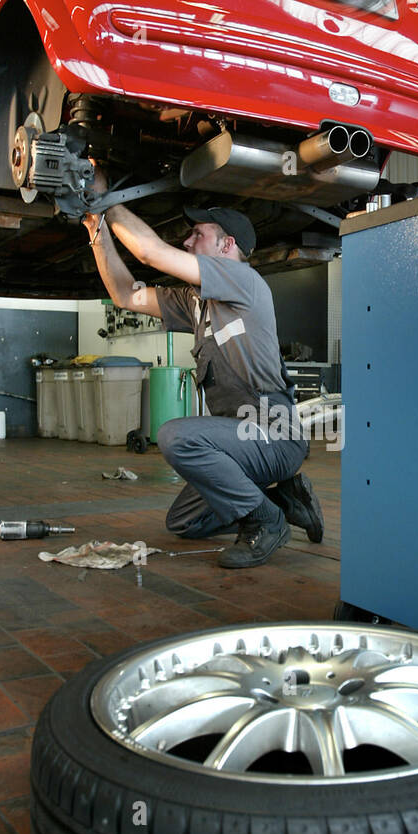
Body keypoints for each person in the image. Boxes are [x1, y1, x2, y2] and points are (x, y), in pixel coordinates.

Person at [83, 181, 324, 568]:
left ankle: (266, 520)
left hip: (272, 433)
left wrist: (104, 199)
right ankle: (285, 498)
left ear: (227, 246)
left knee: (175, 435)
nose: (187, 241)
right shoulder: (197, 302)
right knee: (185, 522)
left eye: (198, 234)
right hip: (237, 439)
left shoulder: (244, 281)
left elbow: (150, 252)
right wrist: (96, 228)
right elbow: (126, 296)